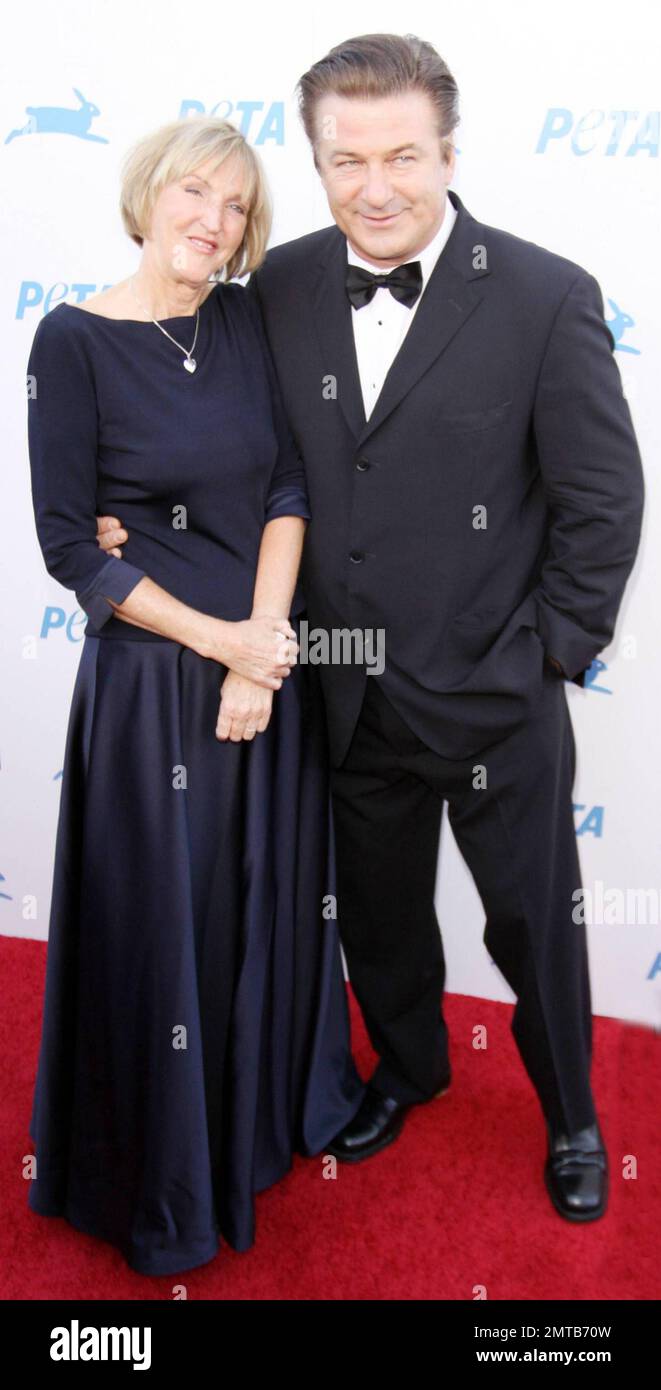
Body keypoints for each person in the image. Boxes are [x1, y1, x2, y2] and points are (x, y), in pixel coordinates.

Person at [96, 35, 645, 1223]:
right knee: (380, 919)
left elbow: (605, 499)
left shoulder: (547, 294)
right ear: (318, 161)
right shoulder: (278, 287)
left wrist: (550, 652)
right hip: (339, 690)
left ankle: (574, 1118)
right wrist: (123, 507)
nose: (377, 185)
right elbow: (216, 432)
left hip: (500, 689)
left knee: (533, 930)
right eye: (348, 160)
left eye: (403, 155)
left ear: (449, 151)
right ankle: (408, 1068)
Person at [26, 115, 364, 1277]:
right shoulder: (69, 341)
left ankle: (254, 1119)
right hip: (153, 696)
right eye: (194, 194)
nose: (212, 221)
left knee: (247, 909)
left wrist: (262, 645)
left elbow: (283, 481)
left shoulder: (239, 319)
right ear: (149, 194)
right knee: (161, 925)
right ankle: (154, 1171)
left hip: (259, 672)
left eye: (235, 207)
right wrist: (218, 641)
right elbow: (76, 548)